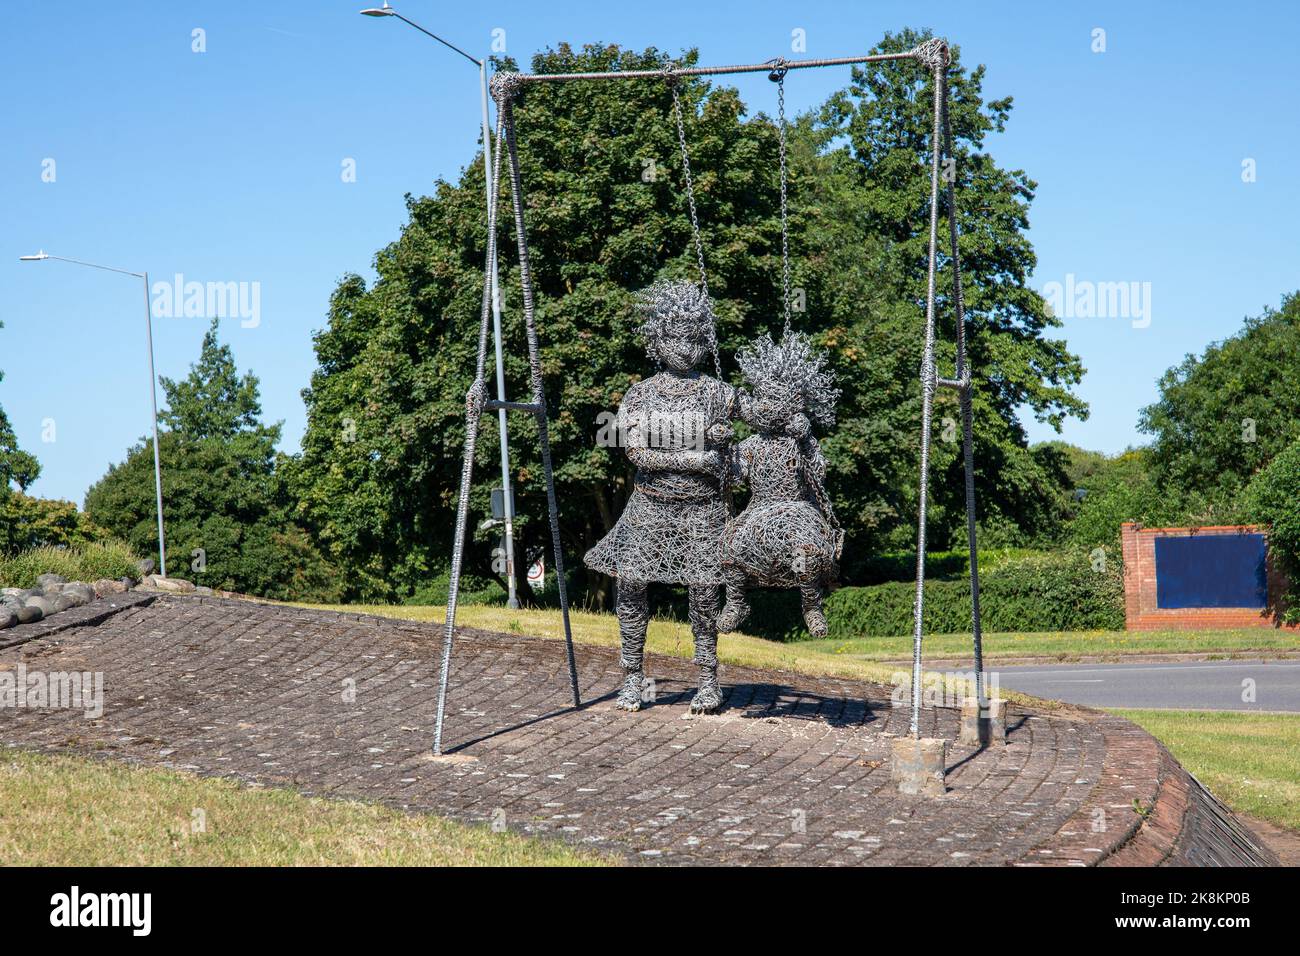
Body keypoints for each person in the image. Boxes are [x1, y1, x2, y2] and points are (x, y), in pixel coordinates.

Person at [585, 280, 735, 714]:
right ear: (657, 340)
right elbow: (634, 450)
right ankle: (633, 677)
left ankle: (708, 679)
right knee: (631, 581)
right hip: (649, 505)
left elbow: (761, 416)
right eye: (673, 338)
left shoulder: (718, 392)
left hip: (703, 510)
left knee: (705, 590)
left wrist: (788, 420)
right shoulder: (641, 393)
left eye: (692, 339)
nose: (684, 349)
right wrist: (698, 455)